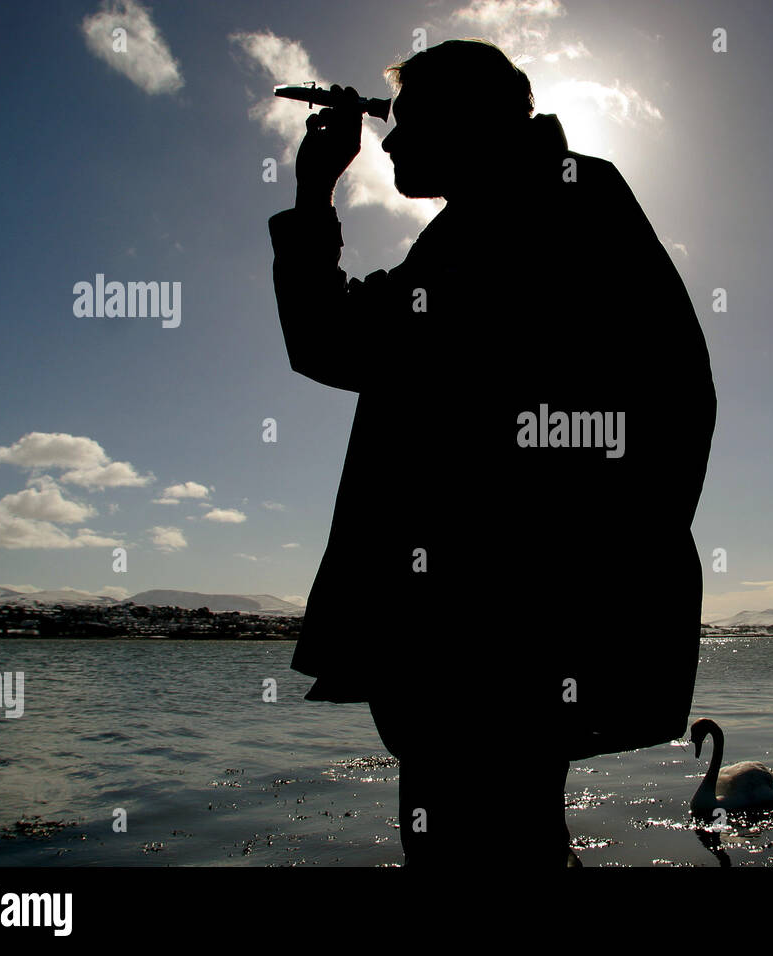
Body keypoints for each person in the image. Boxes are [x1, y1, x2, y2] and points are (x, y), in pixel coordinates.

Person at [268, 38, 716, 866]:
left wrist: (311, 190)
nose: (390, 142)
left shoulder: (513, 221)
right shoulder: (538, 205)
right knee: (515, 839)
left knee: (475, 848)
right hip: (520, 627)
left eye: (406, 122)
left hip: (486, 636)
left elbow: (331, 340)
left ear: (463, 122)